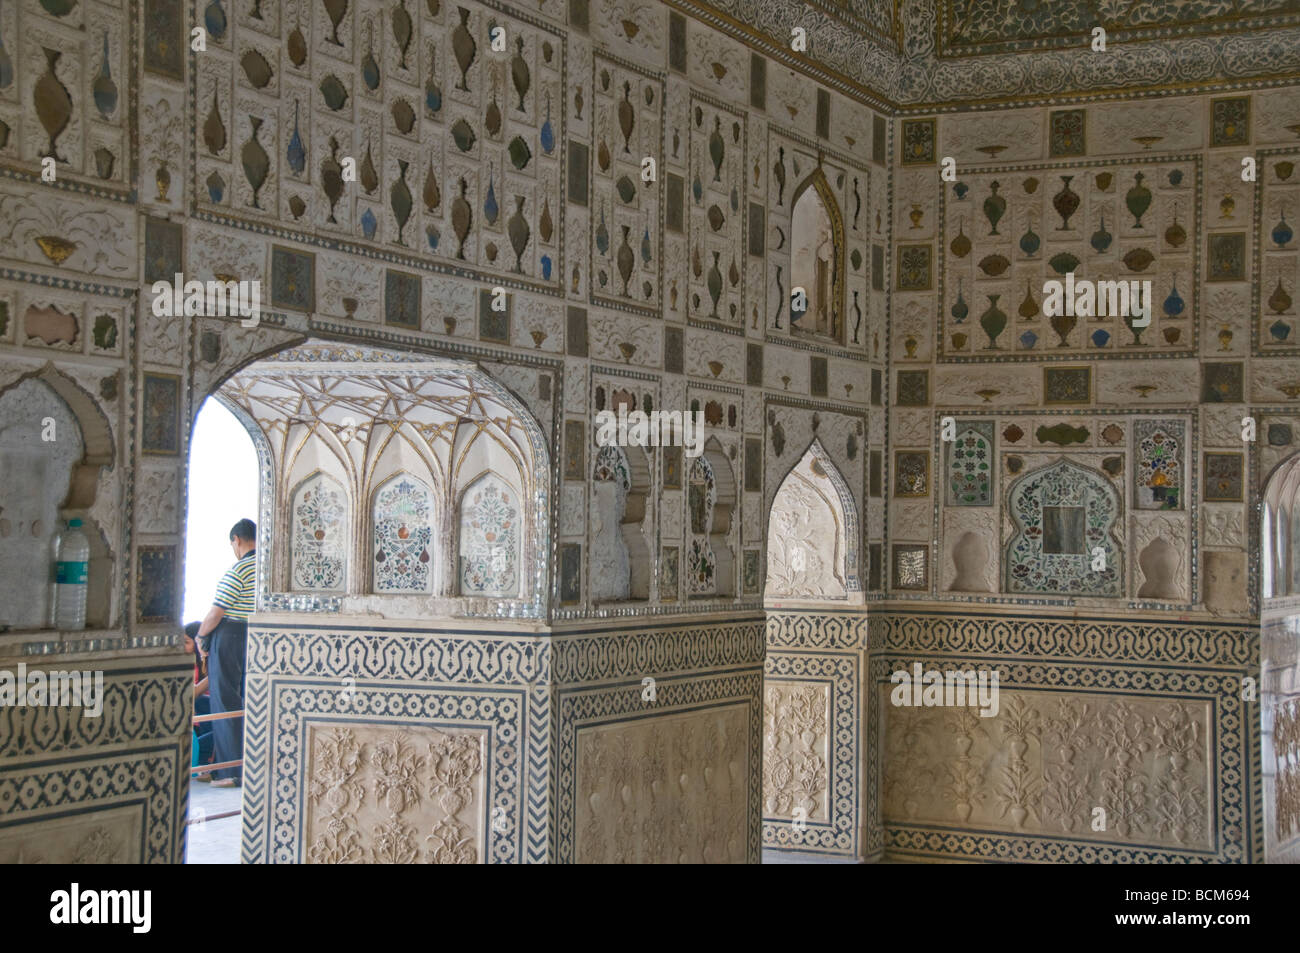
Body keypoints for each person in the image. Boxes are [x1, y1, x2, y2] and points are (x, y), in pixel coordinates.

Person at [195, 519, 257, 788]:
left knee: (225, 701)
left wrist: (200, 636)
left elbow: (215, 613)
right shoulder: (267, 570)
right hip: (255, 636)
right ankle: (224, 767)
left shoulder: (240, 570)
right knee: (247, 700)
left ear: (236, 540)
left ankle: (231, 771)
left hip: (230, 635)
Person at [184, 621, 214, 779]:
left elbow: (191, 695)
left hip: (206, 719)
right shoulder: (187, 666)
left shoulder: (209, 664)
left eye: (187, 642)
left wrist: (213, 674)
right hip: (197, 723)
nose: (182, 647)